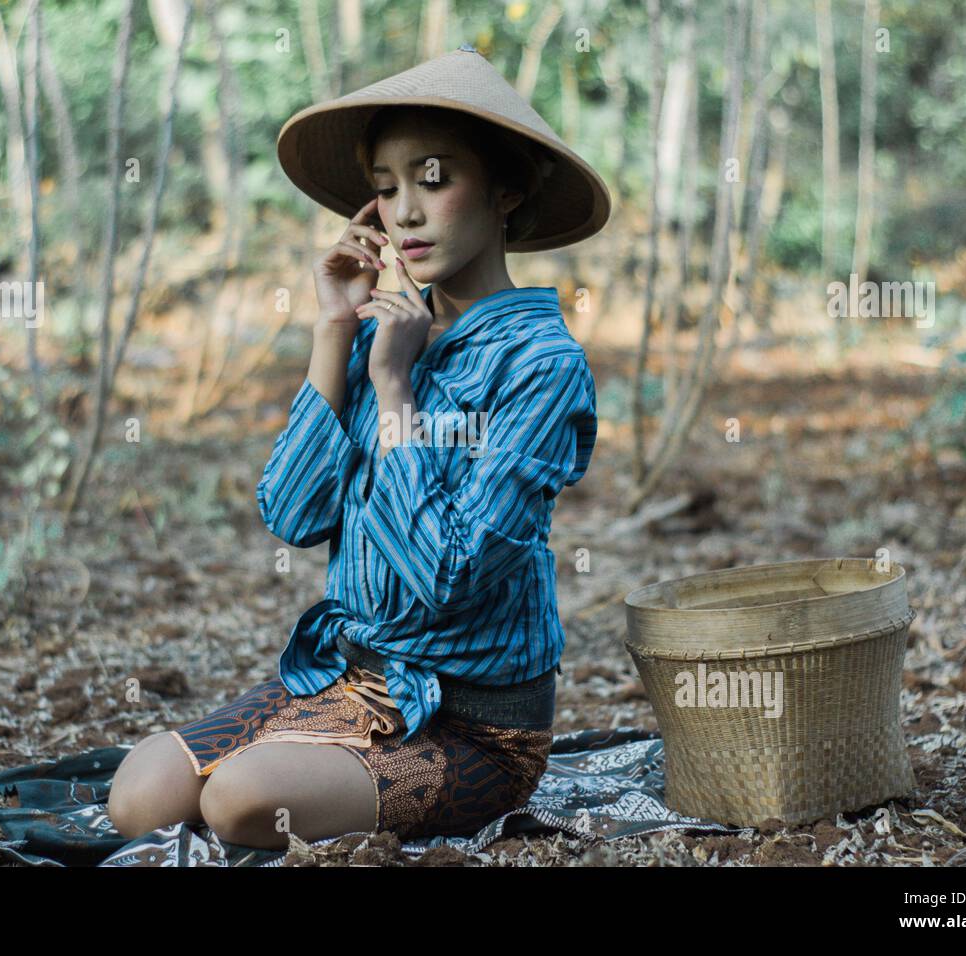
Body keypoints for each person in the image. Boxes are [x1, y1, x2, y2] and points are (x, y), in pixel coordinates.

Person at [108, 44, 609, 850]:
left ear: (507, 190)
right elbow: (292, 512)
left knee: (239, 804)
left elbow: (448, 574)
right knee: (139, 795)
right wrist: (334, 328)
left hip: (474, 724)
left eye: (434, 179)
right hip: (353, 682)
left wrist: (394, 389)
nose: (404, 212)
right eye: (386, 188)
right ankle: (306, 752)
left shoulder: (542, 365)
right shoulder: (379, 334)